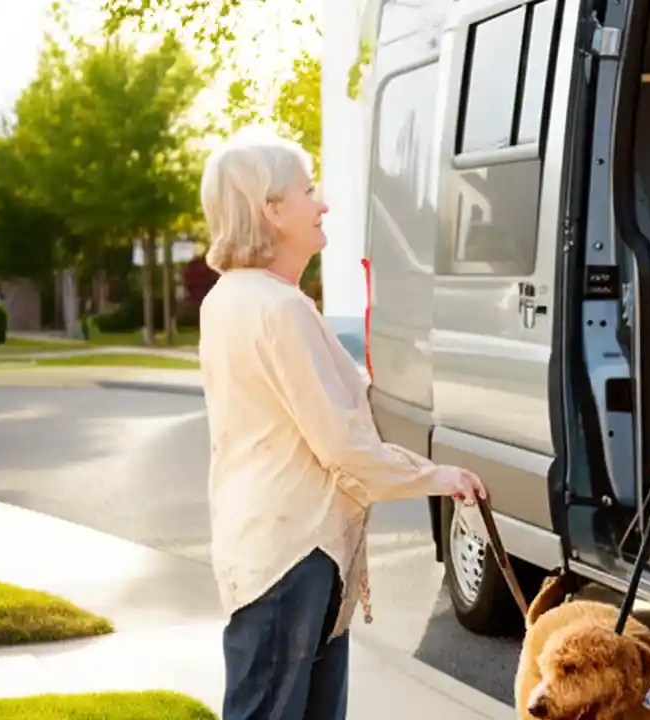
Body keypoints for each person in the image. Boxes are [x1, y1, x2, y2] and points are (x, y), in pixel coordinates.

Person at [197, 127, 487, 720]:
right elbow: (345, 447)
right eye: (308, 191)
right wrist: (440, 476)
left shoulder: (233, 297)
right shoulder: (279, 309)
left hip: (270, 547)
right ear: (272, 211)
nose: (323, 202)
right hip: (293, 555)